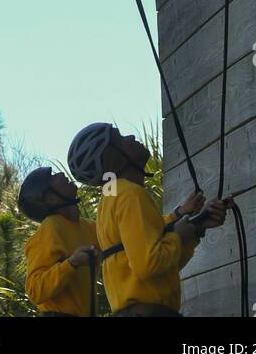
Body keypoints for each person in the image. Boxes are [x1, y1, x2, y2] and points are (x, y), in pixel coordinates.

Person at [68, 123, 229, 318]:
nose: (131, 137)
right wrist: (178, 235)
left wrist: (197, 228)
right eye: (121, 138)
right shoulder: (130, 195)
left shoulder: (110, 199)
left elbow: (161, 267)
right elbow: (149, 264)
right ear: (113, 159)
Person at [18, 166, 99, 318]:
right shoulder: (50, 228)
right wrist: (72, 263)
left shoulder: (88, 227)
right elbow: (35, 290)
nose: (61, 173)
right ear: (51, 199)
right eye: (53, 176)